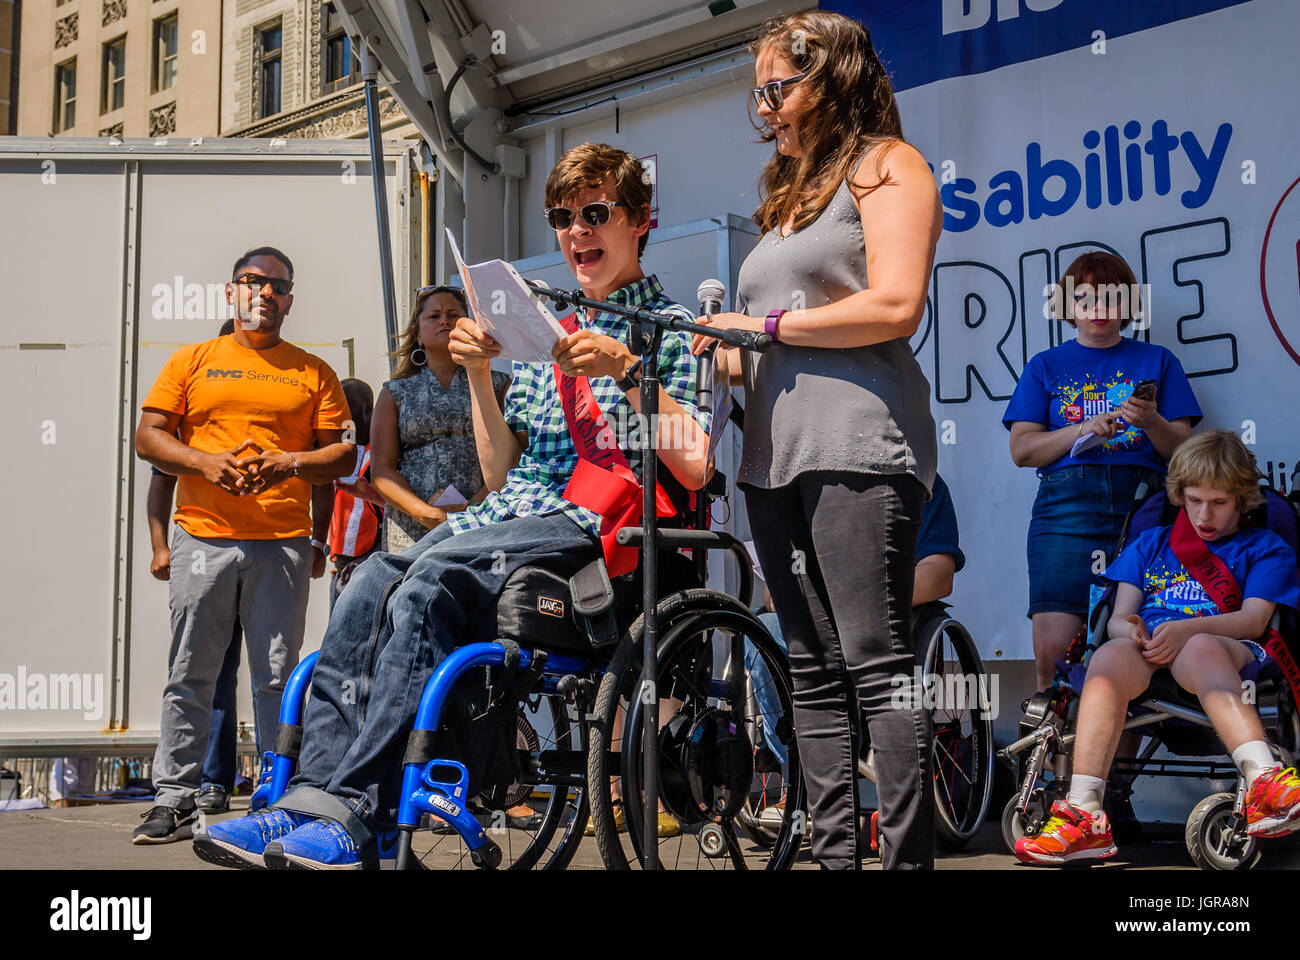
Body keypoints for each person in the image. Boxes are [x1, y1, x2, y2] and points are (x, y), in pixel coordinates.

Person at [193, 143, 711, 870]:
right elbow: (501, 473)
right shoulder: (547, 332)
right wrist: (476, 373)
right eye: (563, 217)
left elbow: (695, 461)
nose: (577, 231)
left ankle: (359, 813)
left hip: (603, 520)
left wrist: (627, 371)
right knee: (373, 578)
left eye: (597, 213)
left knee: (430, 580)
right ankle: (309, 797)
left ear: (641, 221)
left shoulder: (666, 326)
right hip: (524, 512)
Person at [694, 10, 941, 870]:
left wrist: (757, 322)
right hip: (773, 456)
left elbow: (892, 306)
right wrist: (717, 348)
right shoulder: (787, 191)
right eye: (758, 88)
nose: (764, 104)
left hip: (859, 442)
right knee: (810, 668)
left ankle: (905, 861)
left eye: (778, 84)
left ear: (832, 76)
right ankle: (837, 858)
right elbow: (770, 348)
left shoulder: (887, 165)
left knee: (876, 661)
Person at [131, 246, 354, 843]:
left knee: (277, 680)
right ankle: (175, 798)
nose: (264, 294)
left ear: (289, 300)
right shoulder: (193, 361)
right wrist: (203, 461)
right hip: (203, 536)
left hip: (280, 541)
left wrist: (291, 463)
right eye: (253, 282)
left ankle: (283, 796)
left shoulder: (313, 371)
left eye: (277, 286)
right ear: (231, 292)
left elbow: (341, 455)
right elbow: (148, 438)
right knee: (190, 675)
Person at [1014, 431, 1300, 864]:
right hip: (1150, 652)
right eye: (1194, 500)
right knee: (1108, 656)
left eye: (1219, 503)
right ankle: (1084, 811)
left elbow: (1255, 621)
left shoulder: (1264, 547)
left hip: (1225, 649)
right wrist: (1135, 633)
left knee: (1201, 645)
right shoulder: (1151, 543)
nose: (1204, 515)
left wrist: (1186, 632)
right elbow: (1118, 619)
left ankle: (1264, 779)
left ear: (1243, 499)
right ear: (1179, 496)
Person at [1003, 250, 1201, 835]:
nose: (1098, 308)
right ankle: (1052, 796)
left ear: (1128, 304)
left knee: (1135, 650)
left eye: (1111, 296)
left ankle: (1109, 793)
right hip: (1066, 504)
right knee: (1056, 657)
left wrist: (1148, 420)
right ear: (1067, 306)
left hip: (1144, 506)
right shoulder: (1045, 364)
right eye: (1084, 297)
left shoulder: (1157, 360)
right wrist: (1083, 428)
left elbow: (1184, 454)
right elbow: (1022, 451)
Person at [746, 473, 965, 825]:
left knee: (863, 639)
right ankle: (798, 777)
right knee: (762, 632)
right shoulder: (806, 485)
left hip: (887, 618)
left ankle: (880, 792)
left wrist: (857, 604)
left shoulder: (922, 481)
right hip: (819, 622)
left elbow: (939, 575)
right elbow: (773, 595)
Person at [371, 286, 509, 554]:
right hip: (412, 526)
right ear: (417, 334)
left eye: (454, 315)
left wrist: (474, 506)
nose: (444, 321)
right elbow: (382, 469)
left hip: (483, 520)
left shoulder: (498, 385)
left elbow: (514, 457)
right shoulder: (395, 393)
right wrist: (427, 514)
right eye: (434, 316)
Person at [325, 378, 384, 610]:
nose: (343, 421)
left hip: (369, 559)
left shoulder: (383, 454)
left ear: (368, 409)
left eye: (347, 411)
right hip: (340, 562)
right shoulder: (339, 452)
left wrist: (369, 494)